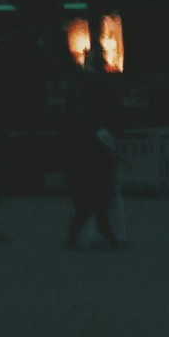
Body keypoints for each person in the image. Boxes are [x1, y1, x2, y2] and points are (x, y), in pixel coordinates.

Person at [62, 107, 122, 252]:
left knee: (86, 212)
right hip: (94, 181)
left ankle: (73, 238)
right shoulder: (94, 138)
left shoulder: (82, 138)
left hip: (86, 181)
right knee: (95, 212)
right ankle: (111, 241)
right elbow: (103, 157)